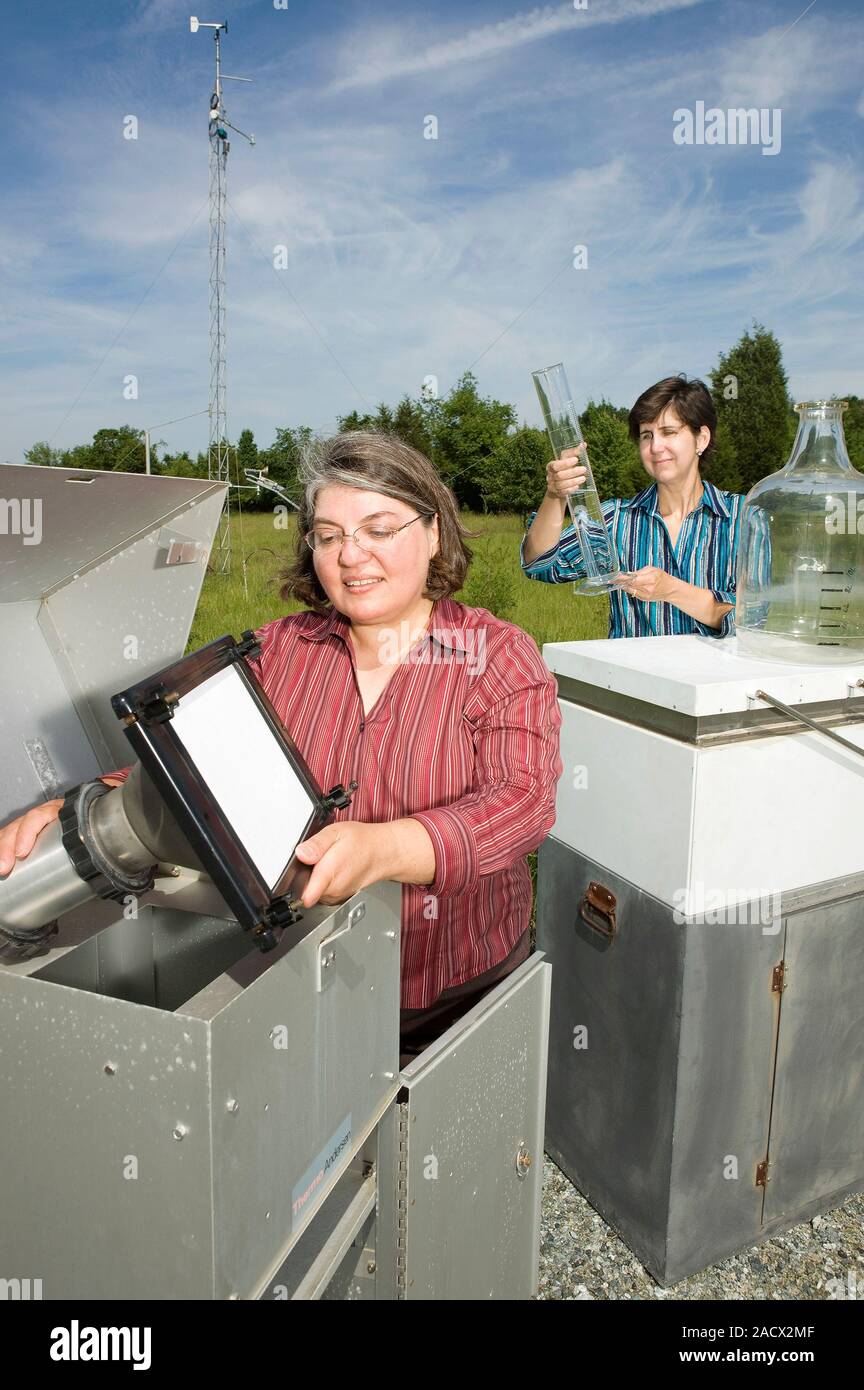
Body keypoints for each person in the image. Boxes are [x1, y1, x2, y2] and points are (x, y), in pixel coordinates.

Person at [0, 432, 563, 1068]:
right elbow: (196, 755)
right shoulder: (279, 651)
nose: (352, 556)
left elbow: (524, 801)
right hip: (314, 981)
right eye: (328, 536)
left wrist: (386, 847)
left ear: (433, 532)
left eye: (379, 529)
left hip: (461, 990)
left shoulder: (496, 654)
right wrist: (80, 804)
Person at [521, 375, 745, 638]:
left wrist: (671, 589)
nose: (655, 447)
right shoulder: (617, 519)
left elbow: (757, 619)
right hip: (632, 678)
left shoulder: (742, 517)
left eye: (669, 432)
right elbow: (540, 564)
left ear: (701, 439)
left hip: (715, 678)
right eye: (646, 436)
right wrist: (555, 496)